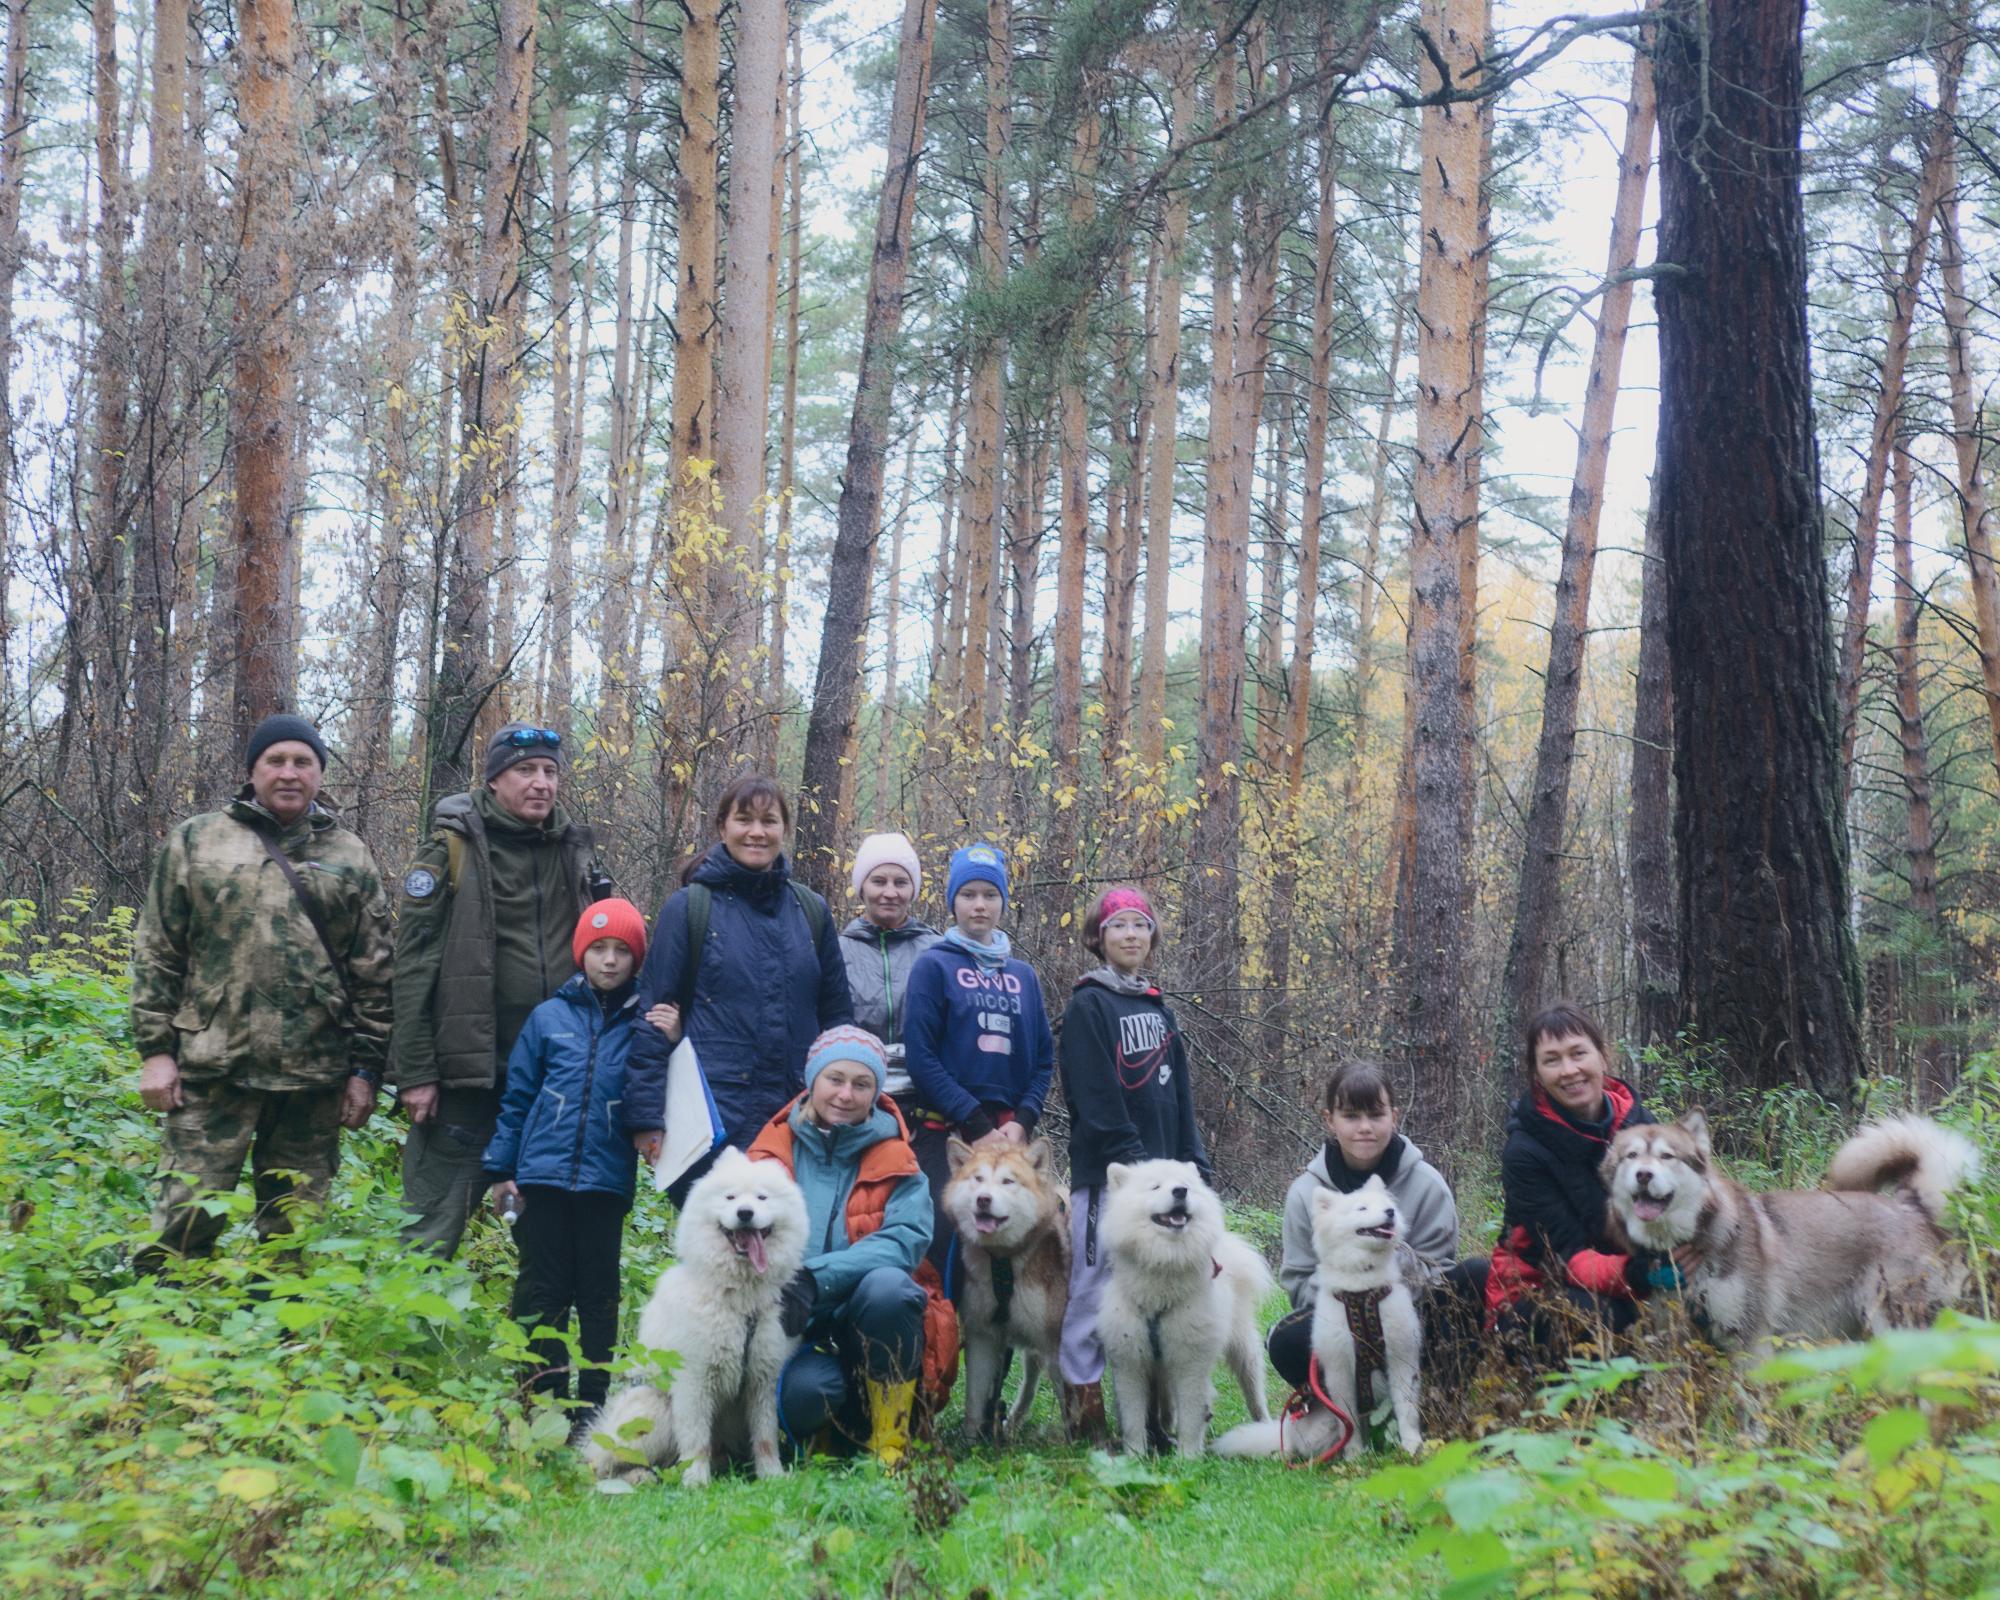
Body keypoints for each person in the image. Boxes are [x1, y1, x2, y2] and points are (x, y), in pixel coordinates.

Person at [129, 714, 394, 1269]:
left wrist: (366, 1071)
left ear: (320, 773)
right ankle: (158, 1337)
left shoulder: (350, 855)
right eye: (276, 760)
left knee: (293, 1233)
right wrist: (156, 1053)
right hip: (212, 1065)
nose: (290, 773)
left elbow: (374, 972)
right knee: (184, 1218)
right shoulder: (198, 841)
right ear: (252, 770)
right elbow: (158, 950)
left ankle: (280, 1345)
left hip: (312, 1073)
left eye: (304, 762)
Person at [391, 722, 612, 1258]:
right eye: (525, 771)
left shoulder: (576, 852)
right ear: (493, 780)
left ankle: (535, 1337)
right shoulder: (452, 848)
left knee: (550, 1232)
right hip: (469, 1074)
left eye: (550, 771)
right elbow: (412, 966)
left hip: (551, 1079)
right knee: (431, 1226)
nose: (541, 783)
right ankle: (401, 1333)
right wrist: (416, 1071)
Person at [625, 774, 852, 1202]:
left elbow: (838, 1019)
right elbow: (653, 1017)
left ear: (785, 829)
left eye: (769, 821)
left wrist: (844, 1096)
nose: (756, 832)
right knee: (714, 1253)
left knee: (789, 1252)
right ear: (722, 827)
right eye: (744, 819)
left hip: (797, 1119)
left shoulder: (811, 912)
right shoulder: (689, 908)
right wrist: (646, 1118)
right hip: (710, 1121)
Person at [483, 899, 654, 1425]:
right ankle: (542, 1401)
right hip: (542, 1178)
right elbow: (516, 1099)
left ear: (635, 959)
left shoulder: (646, 1022)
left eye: (621, 951)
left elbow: (656, 1091)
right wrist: (501, 1170)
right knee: (542, 1292)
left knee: (599, 1294)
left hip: (605, 1183)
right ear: (580, 953)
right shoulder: (548, 1018)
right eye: (598, 948)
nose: (608, 961)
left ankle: (593, 1407)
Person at [745, 1026, 944, 1467]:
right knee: (806, 1397)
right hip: (796, 1329)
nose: (845, 1095)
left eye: (862, 1084)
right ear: (812, 1081)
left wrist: (817, 1278)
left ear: (876, 1092)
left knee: (890, 1288)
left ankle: (889, 1441)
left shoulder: (898, 1159)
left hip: (868, 1320)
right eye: (835, 1079)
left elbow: (904, 1241)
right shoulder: (768, 1155)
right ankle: (828, 1431)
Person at [1054, 886, 1207, 1440]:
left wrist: (1196, 1165)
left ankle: (1154, 1418)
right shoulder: (1087, 1004)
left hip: (1168, 1182)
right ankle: (1084, 1409)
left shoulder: (1158, 1007)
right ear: (1099, 937)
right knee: (1095, 1288)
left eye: (1141, 925)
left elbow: (1182, 1097)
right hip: (1109, 1180)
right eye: (1119, 926)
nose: (1131, 935)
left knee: (1160, 1294)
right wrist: (1138, 1168)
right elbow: (1095, 1100)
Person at [1266, 1059, 1483, 1399]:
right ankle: (1351, 1403)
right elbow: (1298, 1283)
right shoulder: (1306, 1194)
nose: (1364, 1127)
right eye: (1351, 1116)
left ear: (1394, 1117)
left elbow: (1441, 1275)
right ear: (1330, 1121)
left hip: (1414, 1320)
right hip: (1339, 1321)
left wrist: (1387, 1258)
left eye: (1376, 1115)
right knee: (1285, 1339)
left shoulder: (1427, 1185)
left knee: (1477, 1275)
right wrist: (1351, 1285)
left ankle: (1440, 1396)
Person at [1485, 1002, 1678, 1353]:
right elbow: (1565, 1258)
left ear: (1602, 1057)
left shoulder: (1639, 1122)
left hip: (1622, 1273)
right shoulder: (1524, 1150)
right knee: (1603, 1317)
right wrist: (1642, 1275)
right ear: (1537, 1074)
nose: (1569, 1070)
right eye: (1552, 1060)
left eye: (1578, 1053)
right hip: (1540, 1287)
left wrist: (1688, 1253)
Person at [901, 842, 1055, 1273]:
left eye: (990, 895)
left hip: (1010, 1134)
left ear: (1003, 901)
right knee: (945, 1248)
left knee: (1009, 1254)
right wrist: (975, 1123)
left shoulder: (1022, 975)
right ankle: (942, 1339)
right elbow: (922, 1056)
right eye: (968, 895)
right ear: (953, 902)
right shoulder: (934, 965)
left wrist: (1022, 1122)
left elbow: (1043, 1059)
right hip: (947, 1129)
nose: (980, 905)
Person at [837, 832, 941, 1124]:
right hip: (856, 1099)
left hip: (925, 1102)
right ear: (861, 887)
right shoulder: (836, 950)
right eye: (879, 881)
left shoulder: (936, 951)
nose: (890, 892)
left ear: (913, 889)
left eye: (901, 882)